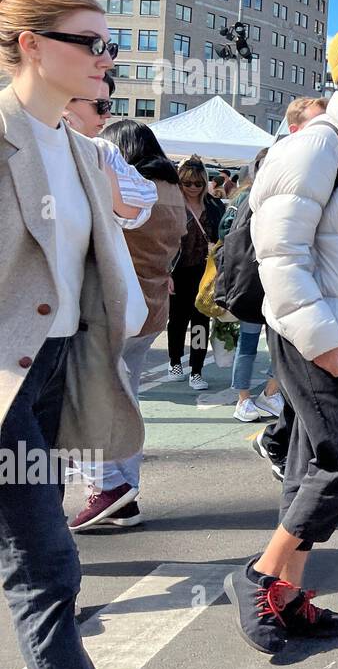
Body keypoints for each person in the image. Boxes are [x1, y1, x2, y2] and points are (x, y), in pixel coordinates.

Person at [224, 23, 338, 656]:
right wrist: (320, 335)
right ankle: (257, 577)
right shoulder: (317, 146)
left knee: (310, 466)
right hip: (311, 334)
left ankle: (288, 597)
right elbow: (280, 251)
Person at [0, 0, 146, 669]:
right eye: (88, 42)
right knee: (47, 568)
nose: (105, 56)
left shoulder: (89, 152)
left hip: (62, 368)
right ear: (30, 44)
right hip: (5, 380)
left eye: (108, 43)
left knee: (39, 558)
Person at [70, 119, 187, 531]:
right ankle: (124, 493)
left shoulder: (127, 186)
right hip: (152, 307)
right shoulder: (172, 189)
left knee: (84, 399)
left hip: (112, 305)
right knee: (127, 399)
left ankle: (108, 487)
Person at [250, 95, 328, 475]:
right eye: (319, 126)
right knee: (310, 399)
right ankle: (282, 449)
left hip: (316, 303)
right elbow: (281, 254)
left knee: (307, 398)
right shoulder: (287, 165)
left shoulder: (322, 165)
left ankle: (284, 448)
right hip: (291, 307)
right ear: (296, 130)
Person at [223, 154, 285, 424]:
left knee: (283, 343)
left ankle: (264, 394)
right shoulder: (251, 198)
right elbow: (228, 235)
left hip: (265, 281)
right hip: (255, 280)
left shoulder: (260, 196)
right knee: (258, 344)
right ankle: (245, 399)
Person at [62, 69, 157, 229]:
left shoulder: (103, 150)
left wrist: (82, 145)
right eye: (101, 105)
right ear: (64, 102)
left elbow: (137, 210)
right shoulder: (29, 141)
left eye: (108, 105)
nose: (107, 114)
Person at [164, 156, 221, 390]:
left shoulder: (215, 207)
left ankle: (196, 369)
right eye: (188, 183)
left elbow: (224, 237)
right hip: (178, 270)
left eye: (198, 183)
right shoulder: (173, 205)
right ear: (180, 182)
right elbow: (164, 240)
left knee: (201, 321)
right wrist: (165, 272)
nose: (194, 188)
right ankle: (175, 361)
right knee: (176, 320)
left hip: (205, 272)